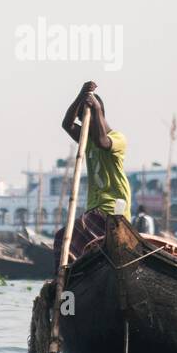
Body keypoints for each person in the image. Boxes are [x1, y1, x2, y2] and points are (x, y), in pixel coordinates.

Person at [53, 81, 130, 259]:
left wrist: (94, 108)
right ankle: (65, 280)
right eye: (83, 120)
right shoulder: (86, 140)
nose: (86, 124)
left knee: (75, 233)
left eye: (90, 119)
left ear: (100, 115)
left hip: (111, 209)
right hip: (93, 209)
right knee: (62, 238)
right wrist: (81, 95)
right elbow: (67, 124)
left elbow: (103, 143)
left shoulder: (117, 138)